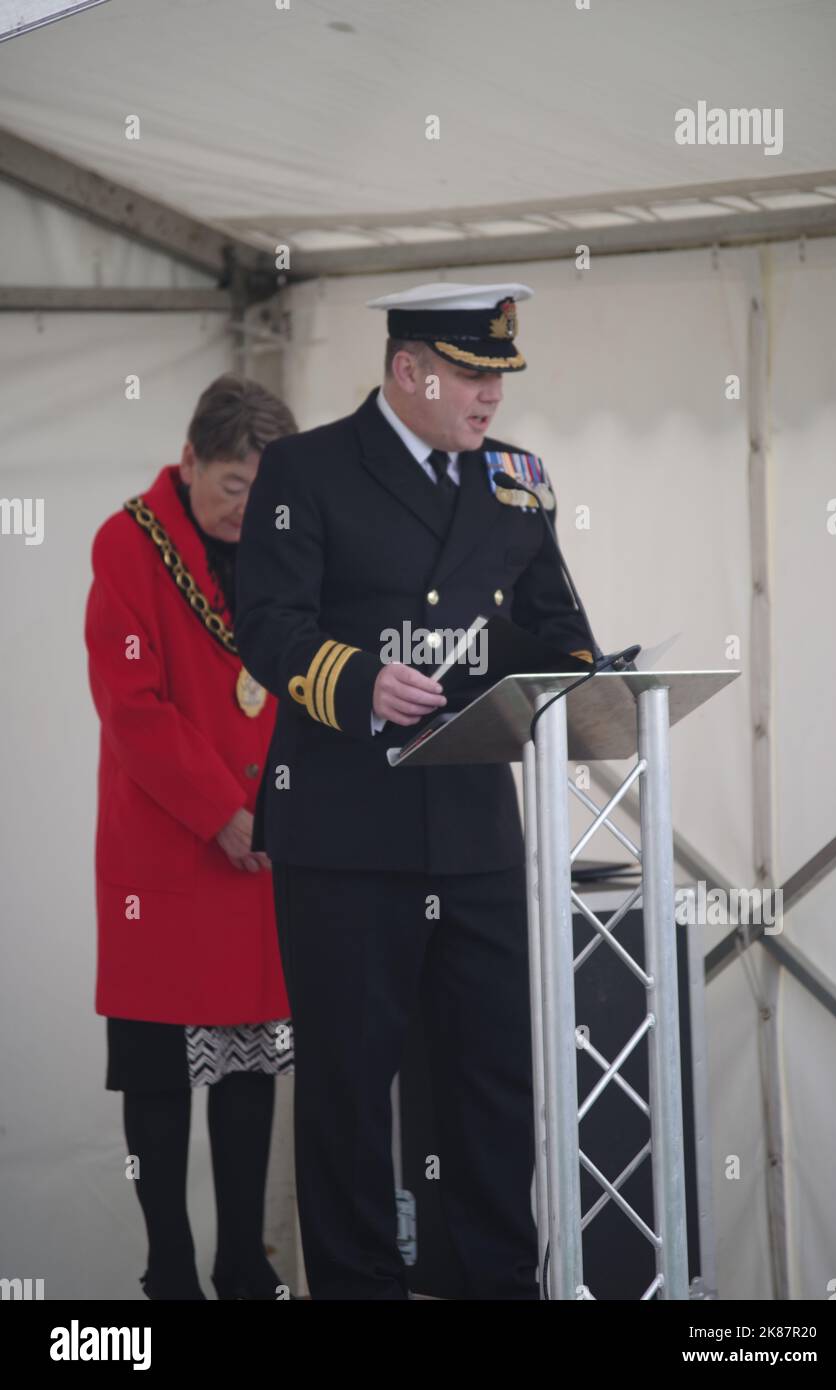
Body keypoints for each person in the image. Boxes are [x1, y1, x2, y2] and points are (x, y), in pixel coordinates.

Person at [234, 282, 597, 1300]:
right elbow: (263, 621)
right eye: (474, 375)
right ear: (409, 370)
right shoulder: (305, 470)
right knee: (352, 1091)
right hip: (348, 832)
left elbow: (548, 621)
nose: (490, 398)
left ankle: (491, 1284)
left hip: (475, 828)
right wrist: (356, 680)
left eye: (499, 379)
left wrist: (592, 671)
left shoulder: (516, 481)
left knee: (488, 1081)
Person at [85, 374, 298, 1300]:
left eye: (265, 489)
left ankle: (242, 1261)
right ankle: (168, 1266)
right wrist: (222, 812)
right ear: (188, 462)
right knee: (161, 1077)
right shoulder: (126, 545)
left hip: (264, 847)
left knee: (249, 1066)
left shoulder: (284, 547)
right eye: (232, 488)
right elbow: (130, 707)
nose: (249, 509)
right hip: (166, 849)